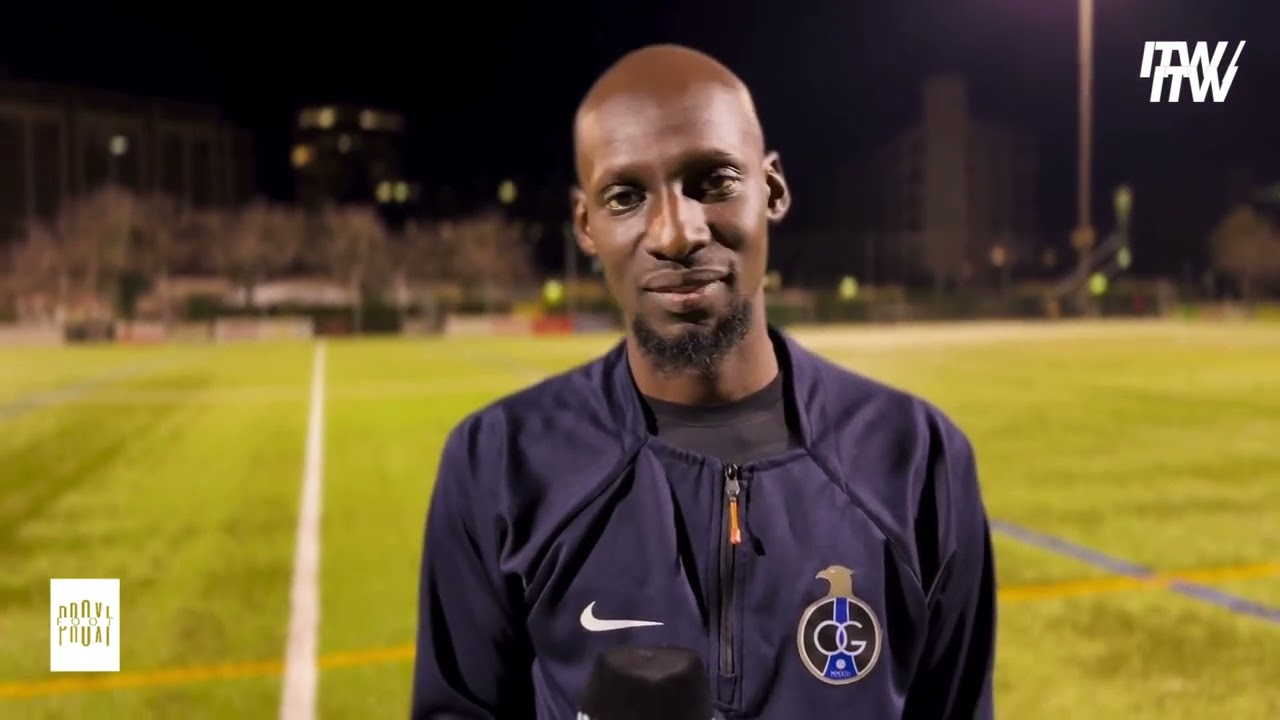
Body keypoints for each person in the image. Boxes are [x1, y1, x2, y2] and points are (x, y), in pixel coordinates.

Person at [411, 44, 997, 719]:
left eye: (713, 181)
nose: (676, 233)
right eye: (626, 197)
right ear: (586, 226)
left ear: (772, 189)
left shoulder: (918, 459)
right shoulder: (498, 463)